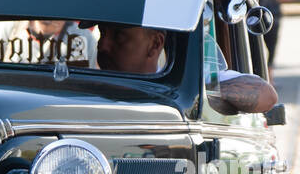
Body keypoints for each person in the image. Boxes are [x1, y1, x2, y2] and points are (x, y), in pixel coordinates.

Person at [96, 22, 278, 112]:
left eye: (119, 37)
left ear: (155, 43)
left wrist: (196, 93)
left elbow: (265, 95)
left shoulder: (189, 85)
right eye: (102, 33)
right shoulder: (79, 82)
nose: (103, 45)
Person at [256, 0, 300, 78]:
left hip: (262, 24)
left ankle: (267, 77)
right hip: (271, 25)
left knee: (262, 51)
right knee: (271, 52)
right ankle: (269, 78)